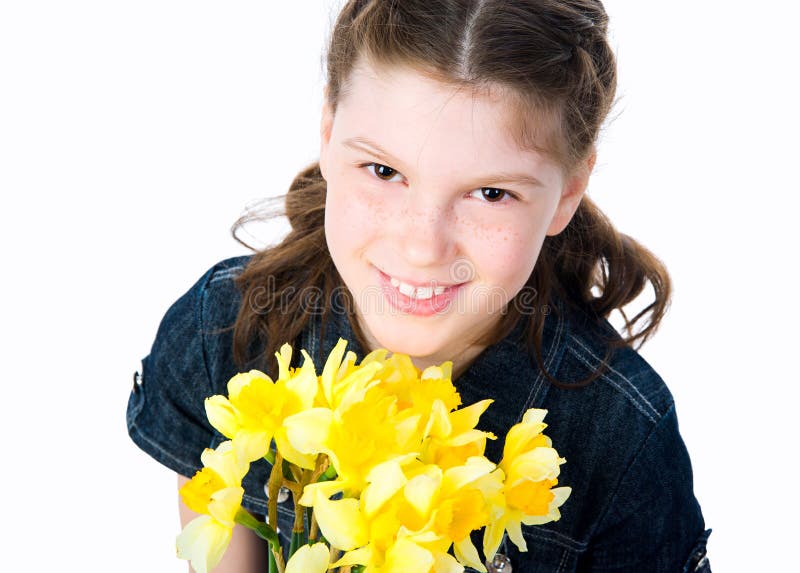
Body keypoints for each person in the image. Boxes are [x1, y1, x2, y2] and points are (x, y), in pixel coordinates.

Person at [126, 1, 712, 571]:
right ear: (329, 134)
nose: (422, 247)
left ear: (565, 193)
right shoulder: (225, 332)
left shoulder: (622, 439)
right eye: (384, 172)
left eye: (490, 193)